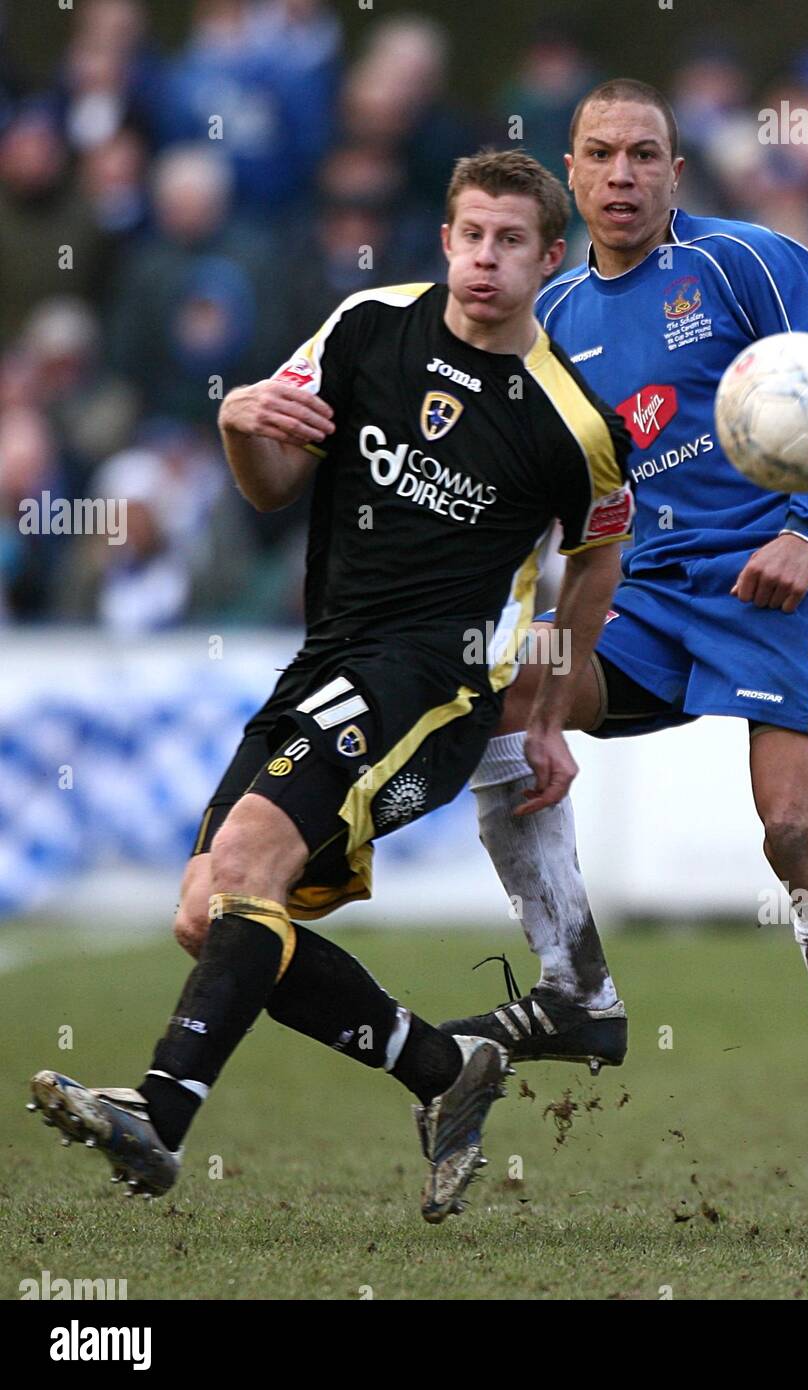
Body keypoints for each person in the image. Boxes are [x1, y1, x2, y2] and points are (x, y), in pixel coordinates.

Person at [28, 149, 633, 1224]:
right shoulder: (365, 327)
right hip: (328, 658)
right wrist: (236, 426)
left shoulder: (573, 425)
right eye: (470, 236)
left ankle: (158, 1117)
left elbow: (592, 564)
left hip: (432, 685)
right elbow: (270, 489)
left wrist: (544, 709)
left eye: (510, 243)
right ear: (444, 238)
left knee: (248, 863)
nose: (484, 261)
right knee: (210, 910)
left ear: (551, 258)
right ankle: (445, 1069)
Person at [440, 80, 808, 1238]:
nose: (620, 176)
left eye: (643, 155)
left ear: (674, 173)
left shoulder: (747, 265)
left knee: (797, 834)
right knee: (502, 706)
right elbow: (550, 506)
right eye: (599, 156)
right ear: (571, 170)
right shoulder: (550, 314)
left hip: (791, 573)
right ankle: (579, 985)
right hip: (646, 590)